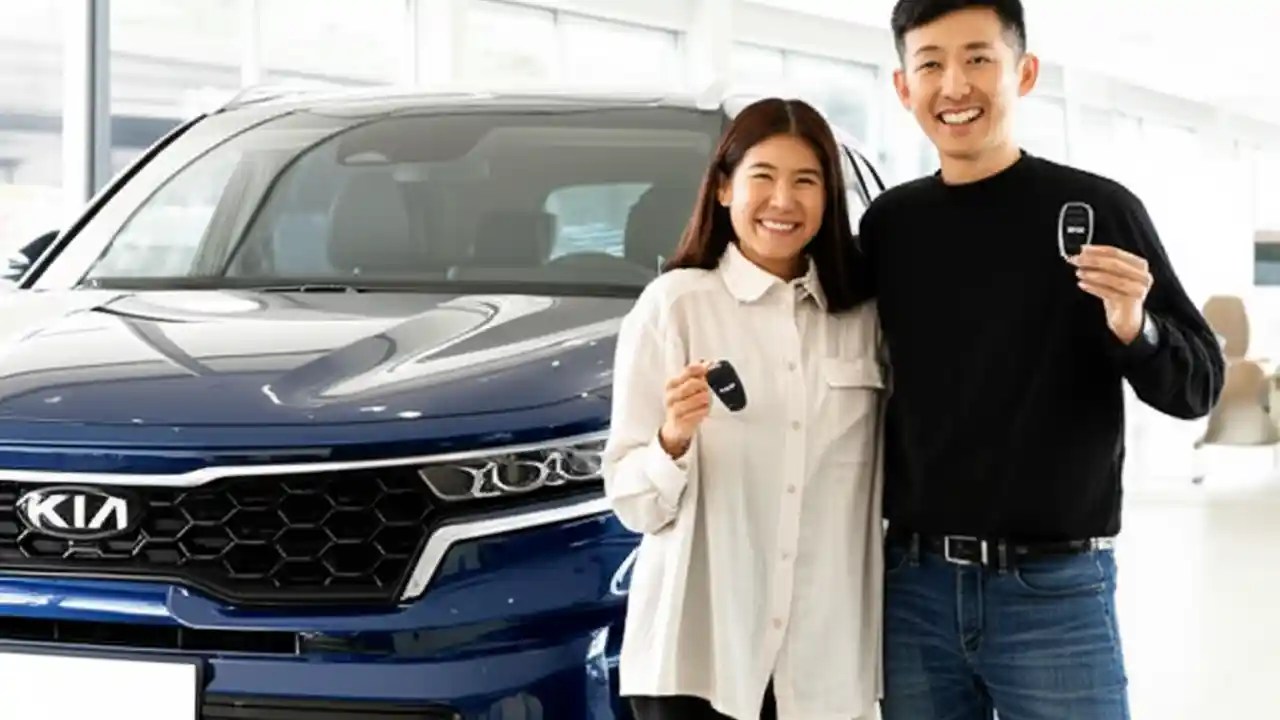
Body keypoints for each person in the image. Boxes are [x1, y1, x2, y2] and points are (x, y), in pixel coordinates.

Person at [857, 1, 1226, 719]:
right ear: (903, 88)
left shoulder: (1095, 208)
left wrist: (1133, 327)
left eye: (978, 58)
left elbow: (1198, 385)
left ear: (1022, 73)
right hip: (913, 588)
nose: (954, 84)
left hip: (1056, 592)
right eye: (930, 63)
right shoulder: (889, 227)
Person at [601, 97, 886, 720]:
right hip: (698, 659)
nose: (783, 201)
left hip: (825, 668)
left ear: (829, 200)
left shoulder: (862, 320)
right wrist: (672, 439)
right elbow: (632, 503)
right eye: (763, 178)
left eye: (806, 182)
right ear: (725, 189)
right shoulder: (674, 306)